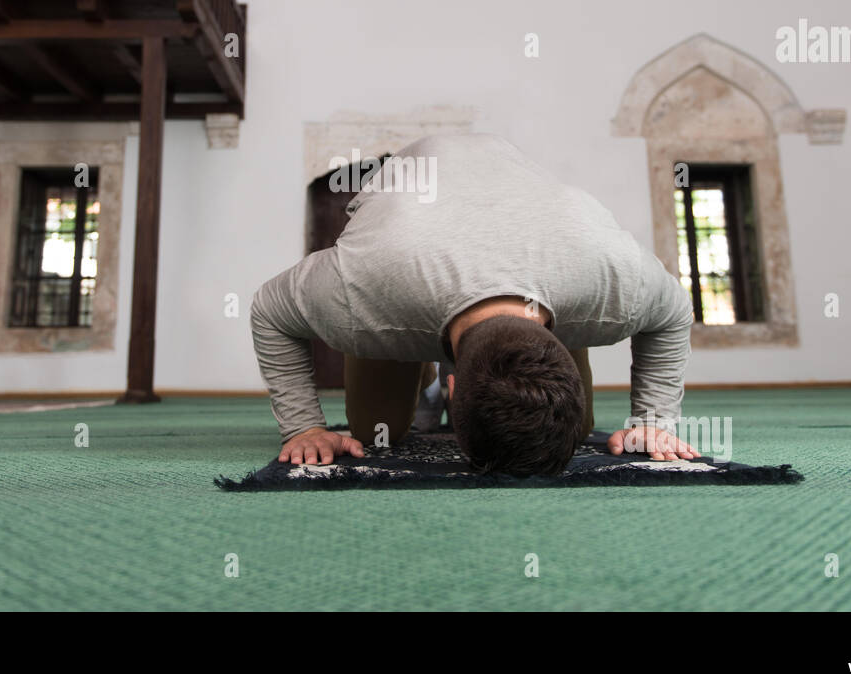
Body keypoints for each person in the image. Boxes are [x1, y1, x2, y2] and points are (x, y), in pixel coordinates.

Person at [250, 133, 699, 476]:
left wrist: (654, 421)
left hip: (551, 248)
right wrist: (304, 427)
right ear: (453, 388)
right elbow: (271, 308)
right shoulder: (365, 291)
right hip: (412, 224)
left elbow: (675, 310)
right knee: (376, 431)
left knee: (571, 428)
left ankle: (454, 363)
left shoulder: (609, 282)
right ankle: (421, 374)